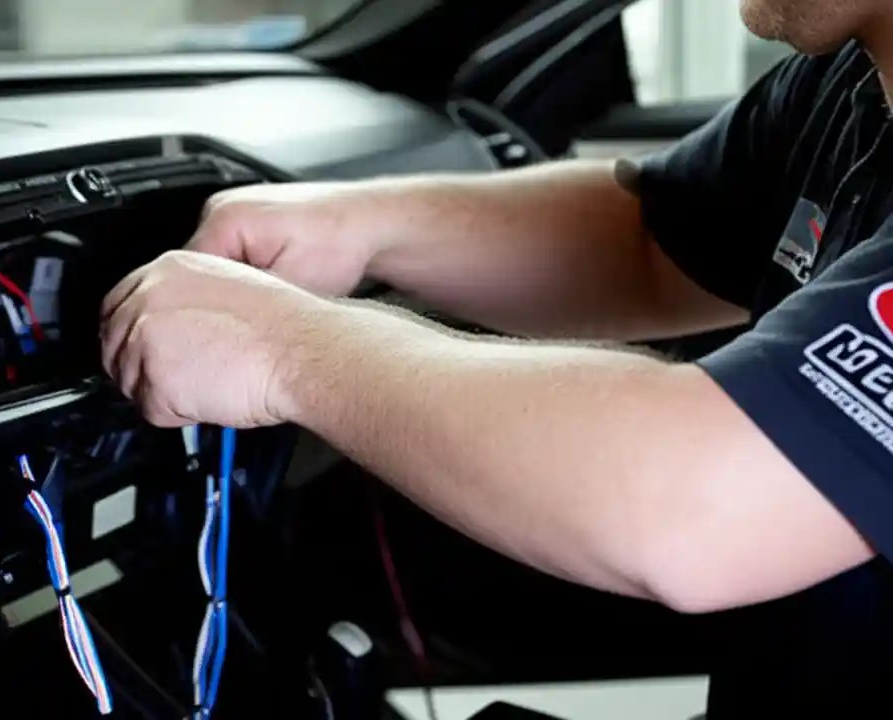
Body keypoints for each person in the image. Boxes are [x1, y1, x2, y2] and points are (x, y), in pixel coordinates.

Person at [102, 1, 893, 713]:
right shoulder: (856, 84)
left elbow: (694, 510)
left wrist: (285, 351)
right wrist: (362, 224)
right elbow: (651, 238)